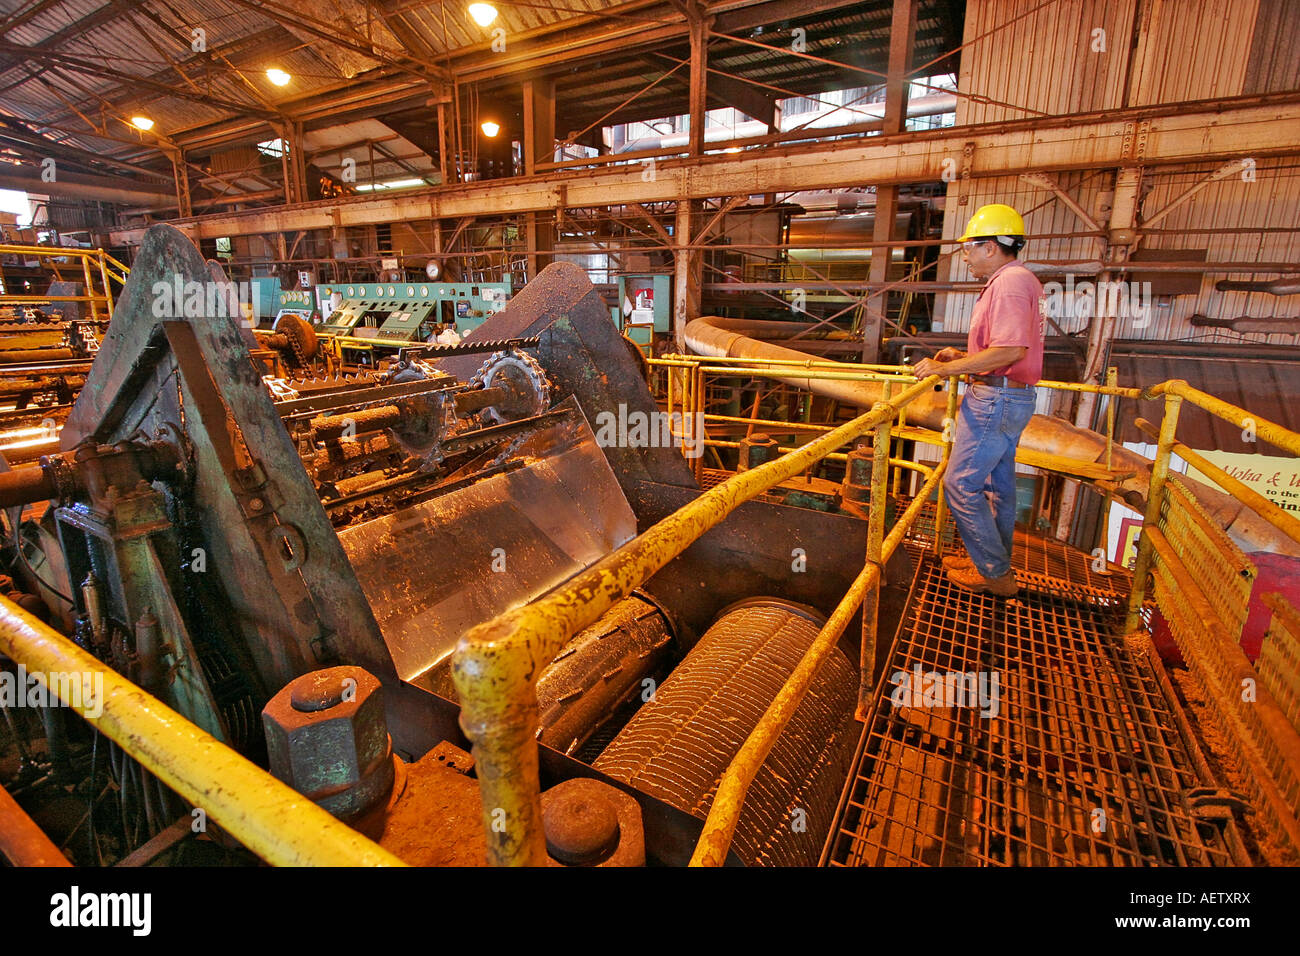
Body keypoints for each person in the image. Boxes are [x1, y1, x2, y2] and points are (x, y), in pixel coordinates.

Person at [913, 204, 1045, 597]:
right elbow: (1004, 350)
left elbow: (1010, 351)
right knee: (999, 488)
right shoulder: (1022, 281)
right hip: (1008, 397)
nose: (965, 256)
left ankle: (994, 573)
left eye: (969, 248)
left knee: (959, 485)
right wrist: (963, 359)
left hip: (995, 399)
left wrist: (944, 371)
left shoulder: (1008, 283)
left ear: (991, 247)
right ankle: (993, 568)